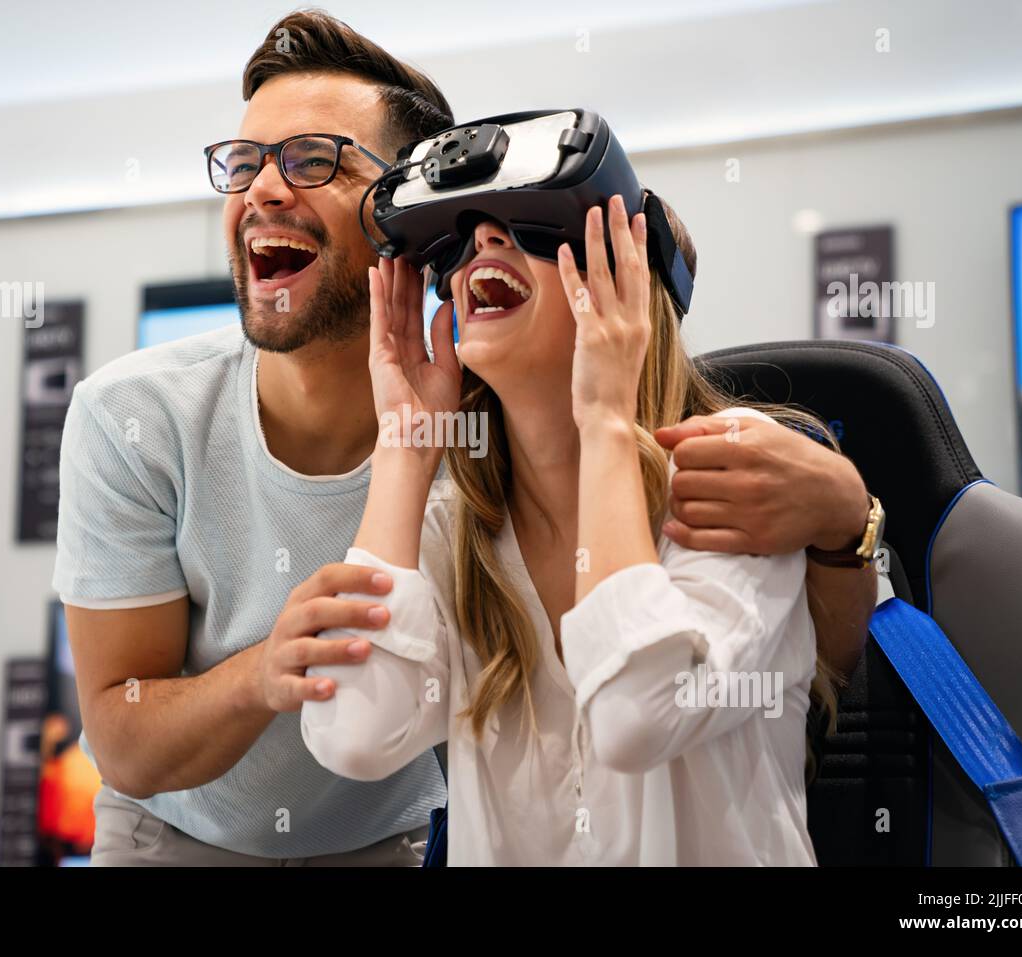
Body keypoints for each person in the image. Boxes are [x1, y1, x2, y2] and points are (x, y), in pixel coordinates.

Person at [54, 11, 876, 866]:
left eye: (312, 159)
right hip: (177, 831)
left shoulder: (722, 471)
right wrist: (409, 445)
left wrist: (845, 513)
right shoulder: (454, 513)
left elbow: (672, 702)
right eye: (246, 161)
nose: (263, 188)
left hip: (384, 840)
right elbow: (350, 730)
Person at [301, 188, 838, 865]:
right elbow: (351, 733)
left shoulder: (736, 472)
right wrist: (404, 446)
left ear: (630, 292)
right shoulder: (456, 530)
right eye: (465, 240)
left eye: (530, 227)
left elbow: (637, 713)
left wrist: (608, 419)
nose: (483, 244)